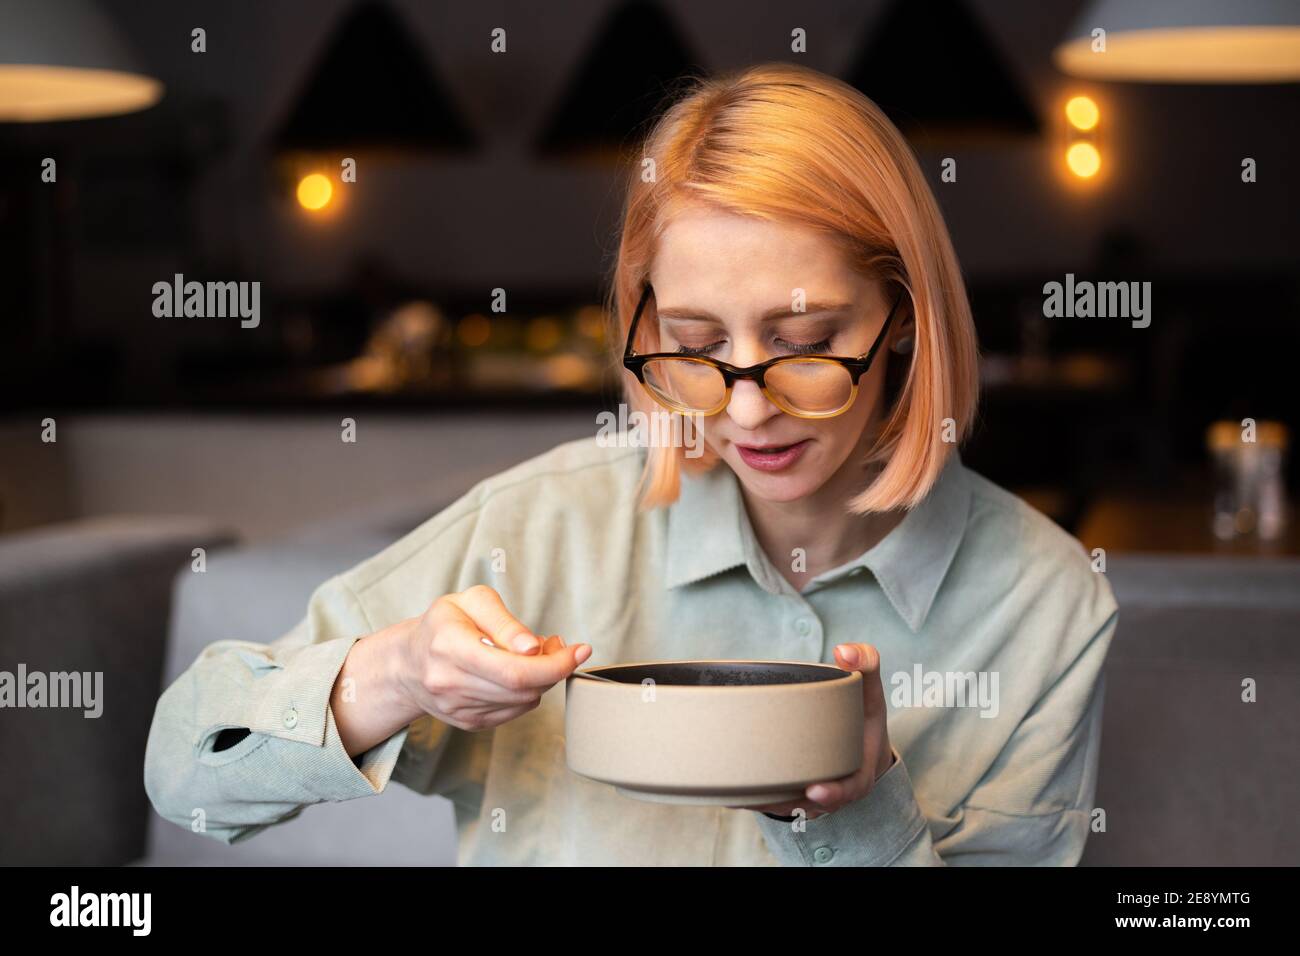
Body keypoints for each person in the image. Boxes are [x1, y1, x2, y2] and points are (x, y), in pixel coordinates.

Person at [144, 63, 1118, 866]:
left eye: (805, 338)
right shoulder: (540, 530)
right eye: (693, 343)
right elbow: (187, 766)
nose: (744, 407)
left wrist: (860, 810)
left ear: (902, 314)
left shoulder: (1042, 604)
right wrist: (393, 676)